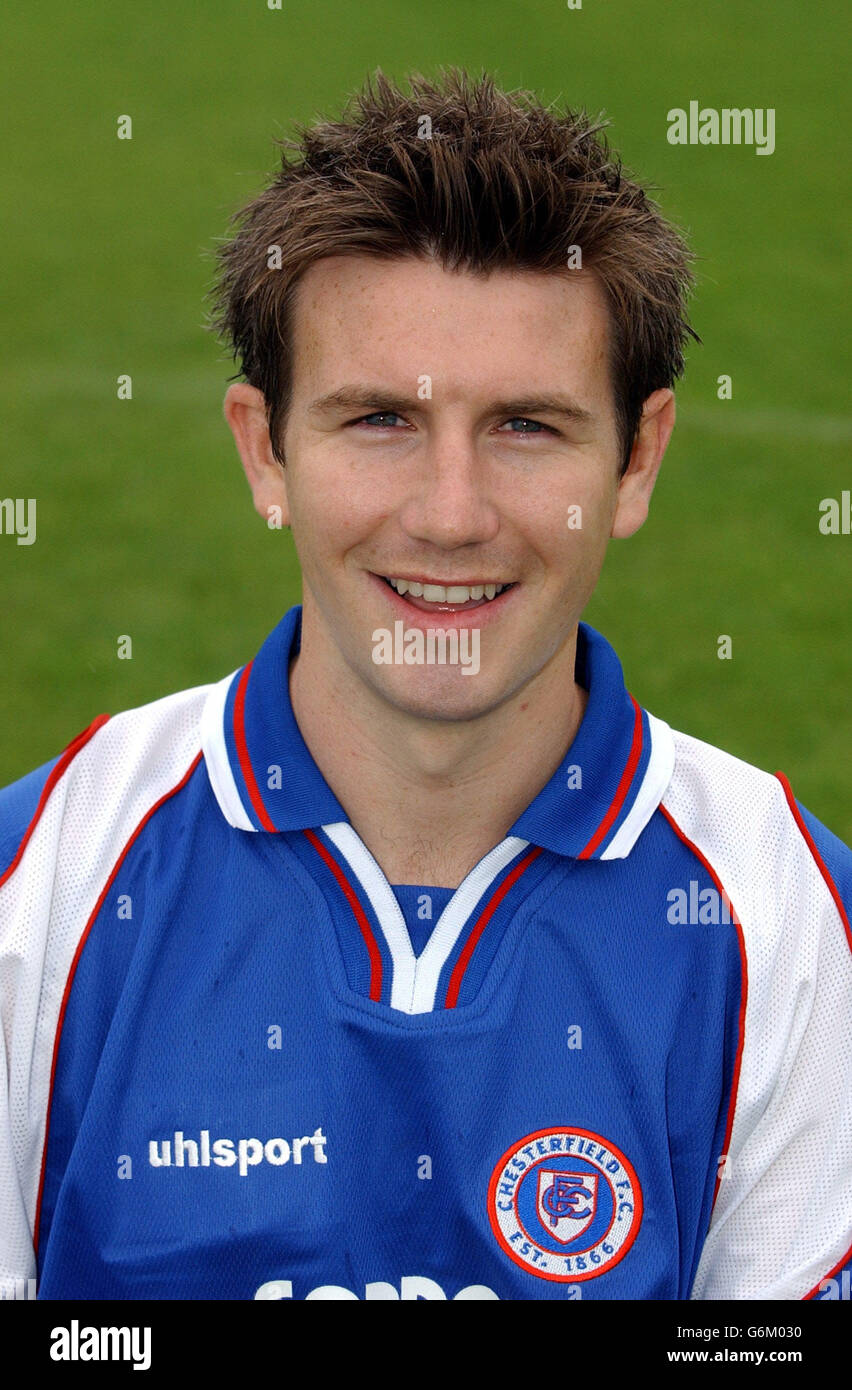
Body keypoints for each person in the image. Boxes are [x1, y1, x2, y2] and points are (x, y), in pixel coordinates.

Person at [1, 69, 850, 1303]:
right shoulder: (42, 893)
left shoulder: (795, 933)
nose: (451, 518)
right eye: (380, 420)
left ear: (638, 458)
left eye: (527, 427)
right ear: (264, 448)